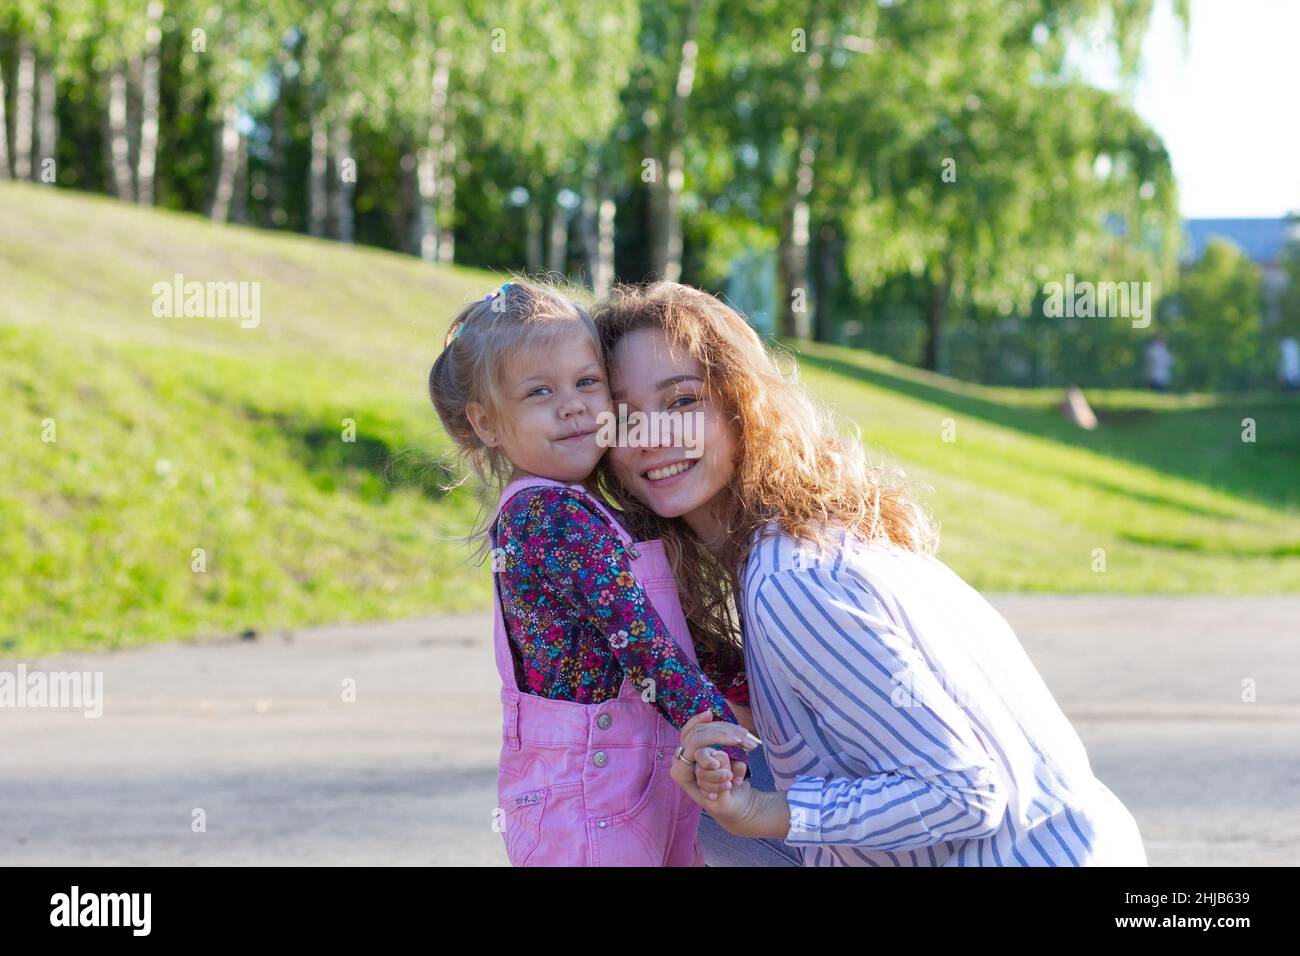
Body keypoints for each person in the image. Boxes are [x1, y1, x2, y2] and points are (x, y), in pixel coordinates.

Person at [595, 282, 1148, 866]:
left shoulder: (790, 579)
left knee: (680, 803)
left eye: (682, 401)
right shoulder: (823, 529)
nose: (650, 437)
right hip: (1084, 844)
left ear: (742, 405)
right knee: (693, 780)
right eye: (625, 415)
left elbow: (963, 791)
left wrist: (761, 812)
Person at [428, 280, 753, 867]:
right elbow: (638, 639)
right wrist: (712, 720)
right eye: (539, 392)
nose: (573, 405)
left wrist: (745, 675)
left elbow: (671, 635)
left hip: (642, 775)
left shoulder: (601, 511)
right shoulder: (546, 515)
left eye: (586, 383)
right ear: (487, 423)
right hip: (585, 792)